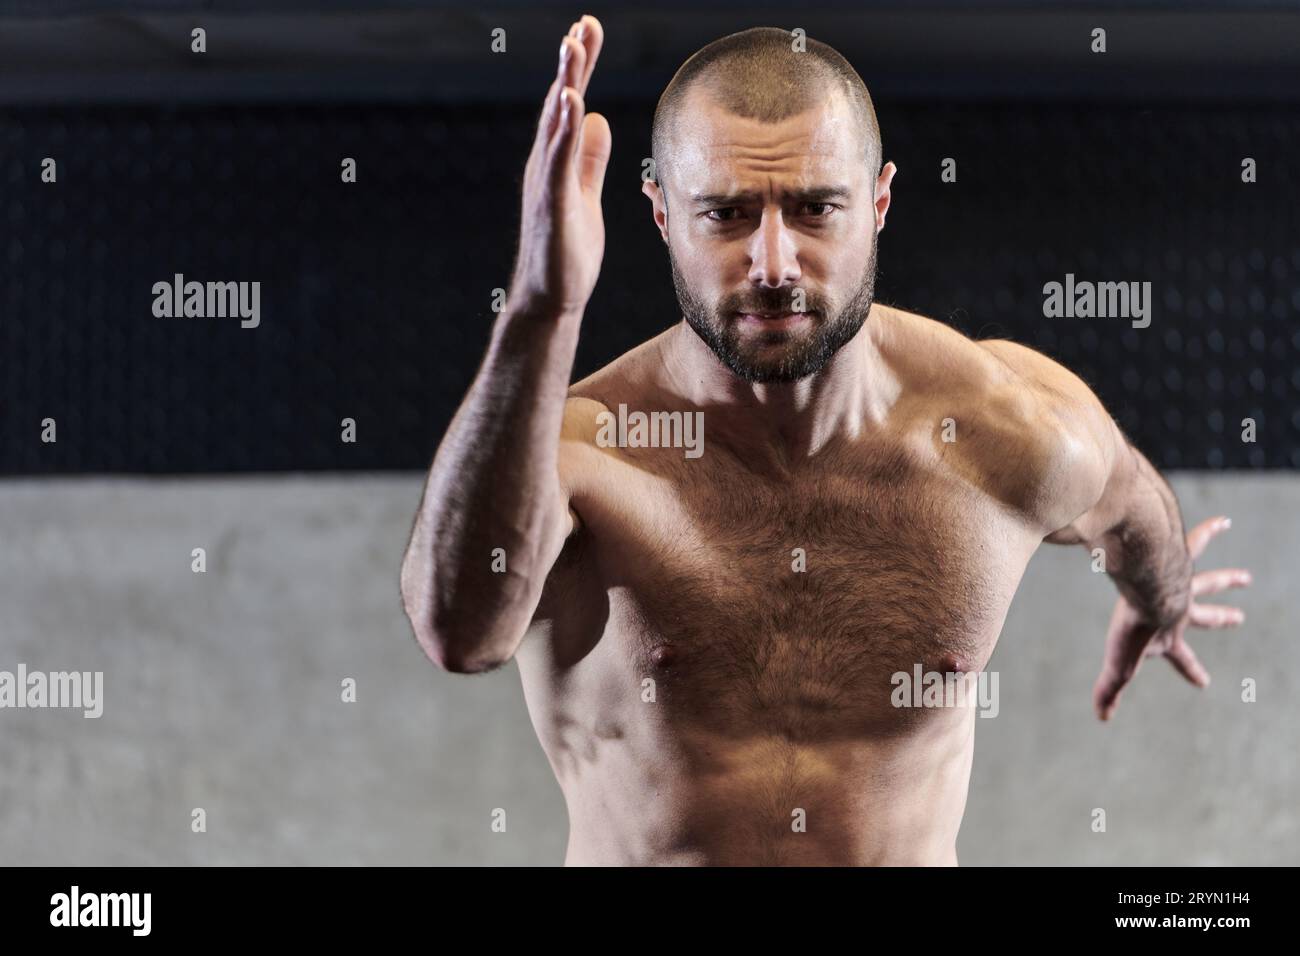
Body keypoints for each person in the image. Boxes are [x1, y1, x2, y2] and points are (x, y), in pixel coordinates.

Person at [400, 15, 1252, 865]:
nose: (774, 262)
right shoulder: (582, 452)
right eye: (726, 214)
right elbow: (460, 633)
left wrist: (1161, 600)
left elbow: (1129, 502)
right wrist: (541, 307)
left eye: (814, 209)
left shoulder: (1002, 428)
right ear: (661, 214)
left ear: (877, 203)